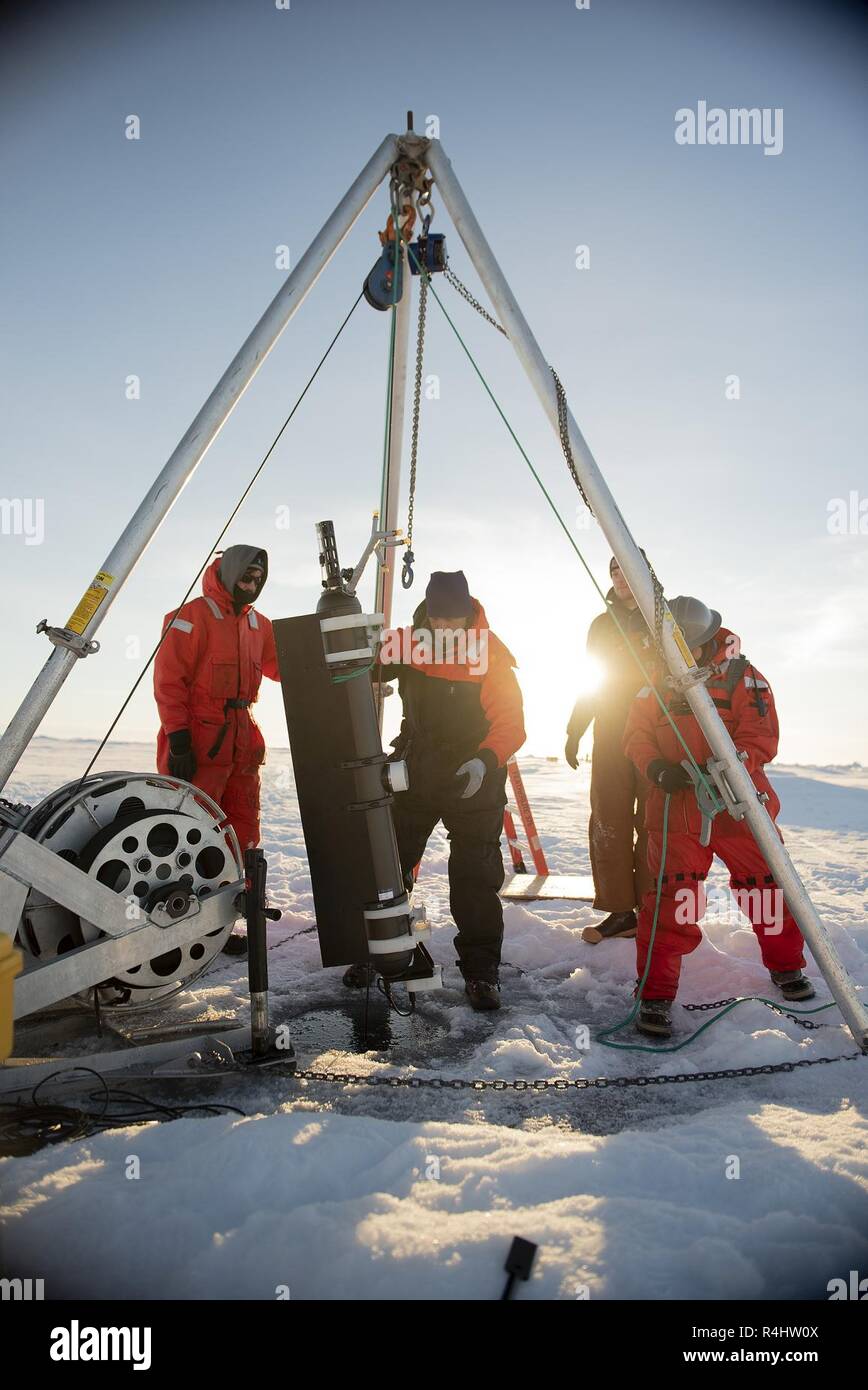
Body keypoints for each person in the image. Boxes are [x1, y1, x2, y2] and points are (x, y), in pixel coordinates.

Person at [622, 595, 814, 1039]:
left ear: (705, 640)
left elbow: (760, 734)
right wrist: (656, 769)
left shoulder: (743, 676)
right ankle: (655, 994)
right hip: (677, 804)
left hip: (740, 800)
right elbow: (637, 735)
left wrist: (733, 768)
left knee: (765, 884)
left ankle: (787, 967)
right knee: (673, 897)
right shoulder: (653, 682)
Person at [344, 570, 526, 1010]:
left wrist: (483, 762)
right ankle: (379, 952)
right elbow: (357, 664)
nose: (447, 627)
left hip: (473, 775)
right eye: (439, 618)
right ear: (428, 612)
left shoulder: (491, 652)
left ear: (469, 613)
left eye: (455, 619)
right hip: (415, 767)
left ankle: (482, 974)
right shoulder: (407, 642)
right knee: (389, 864)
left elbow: (511, 723)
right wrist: (364, 651)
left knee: (475, 876)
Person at [154, 544, 280, 855]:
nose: (251, 587)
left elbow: (281, 668)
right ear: (230, 573)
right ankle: (187, 898)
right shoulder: (189, 618)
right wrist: (179, 741)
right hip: (198, 748)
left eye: (257, 581)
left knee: (244, 829)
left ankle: (244, 895)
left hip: (244, 747)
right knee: (190, 828)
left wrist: (328, 657)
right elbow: (169, 683)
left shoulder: (260, 626)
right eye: (245, 579)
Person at [565, 555, 655, 944]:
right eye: (613, 571)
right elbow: (593, 678)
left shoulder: (665, 621)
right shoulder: (602, 625)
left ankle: (654, 911)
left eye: (626, 569)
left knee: (655, 824)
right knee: (608, 820)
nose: (619, 577)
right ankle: (621, 912)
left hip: (657, 736)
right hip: (611, 733)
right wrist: (575, 729)